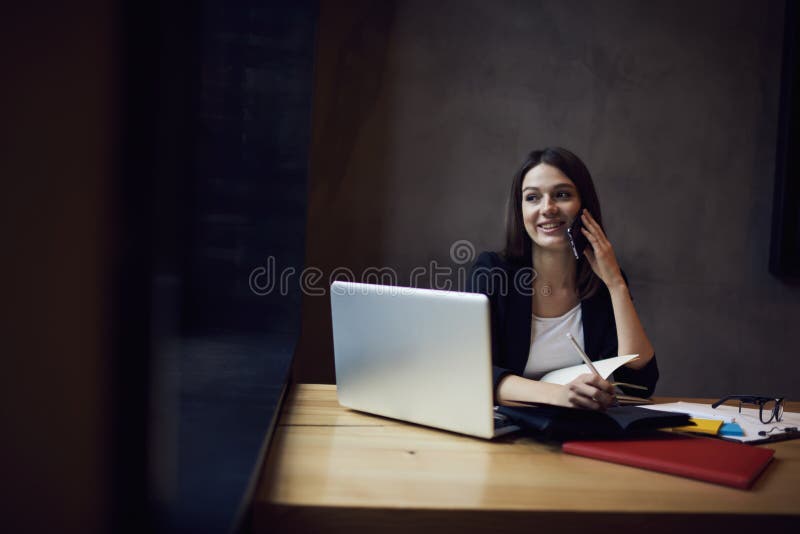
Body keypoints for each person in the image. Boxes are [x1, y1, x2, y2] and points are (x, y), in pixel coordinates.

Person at [467, 147, 658, 410]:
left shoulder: (601, 282)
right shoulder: (492, 272)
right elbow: (475, 373)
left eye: (562, 195)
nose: (548, 208)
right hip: (508, 426)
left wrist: (616, 285)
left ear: (584, 206)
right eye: (532, 197)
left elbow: (641, 383)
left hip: (575, 426)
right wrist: (558, 395)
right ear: (520, 211)